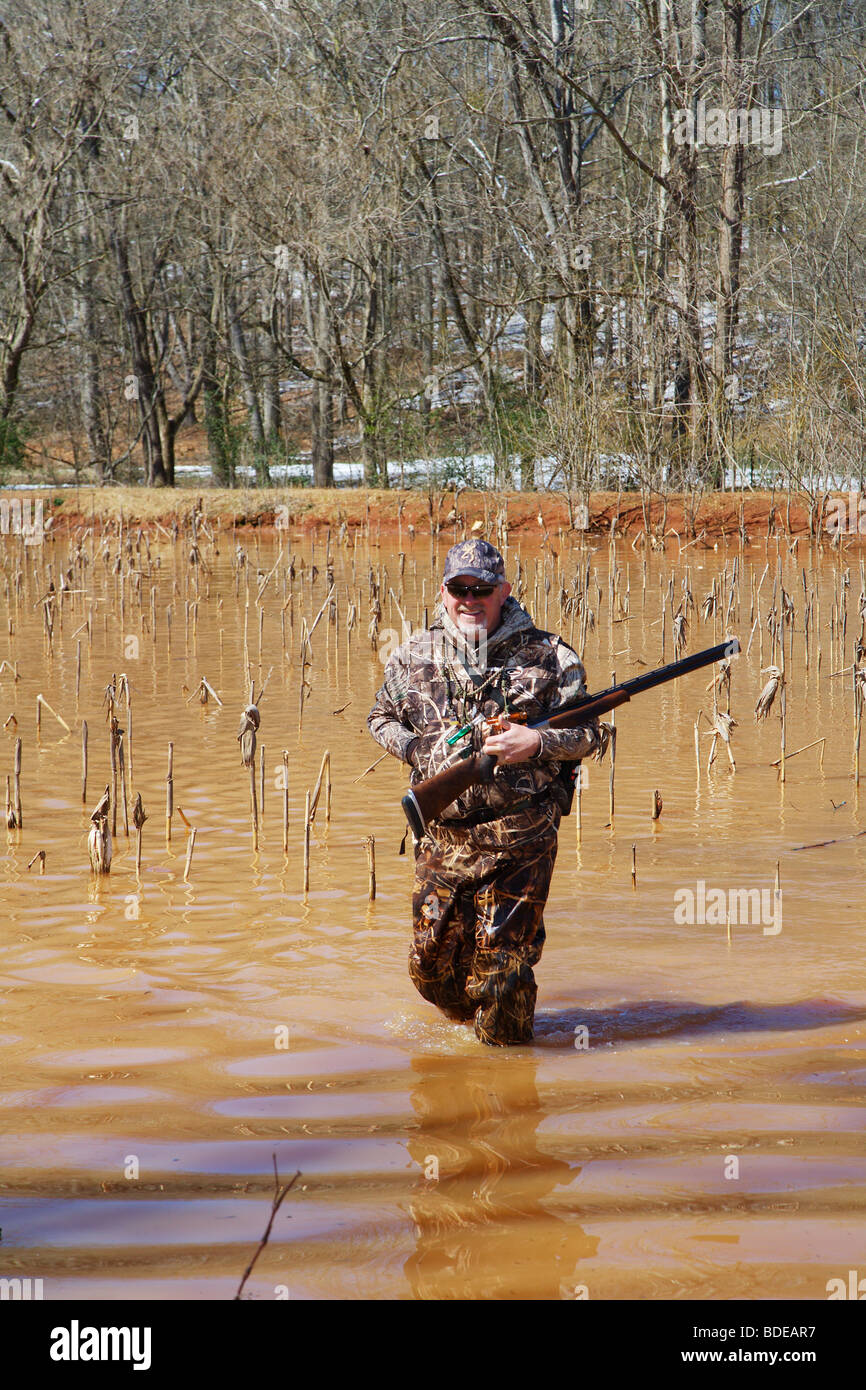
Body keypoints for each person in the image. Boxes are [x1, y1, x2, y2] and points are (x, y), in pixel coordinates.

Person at [367, 538, 599, 1046]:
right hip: (443, 838)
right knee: (430, 972)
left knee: (502, 973)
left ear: (504, 591)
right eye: (459, 588)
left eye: (482, 589)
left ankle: (508, 1093)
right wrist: (416, 750)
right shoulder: (413, 654)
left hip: (522, 837)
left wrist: (537, 742)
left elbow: (591, 734)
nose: (470, 598)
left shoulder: (550, 655)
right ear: (444, 591)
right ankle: (471, 1038)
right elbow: (379, 717)